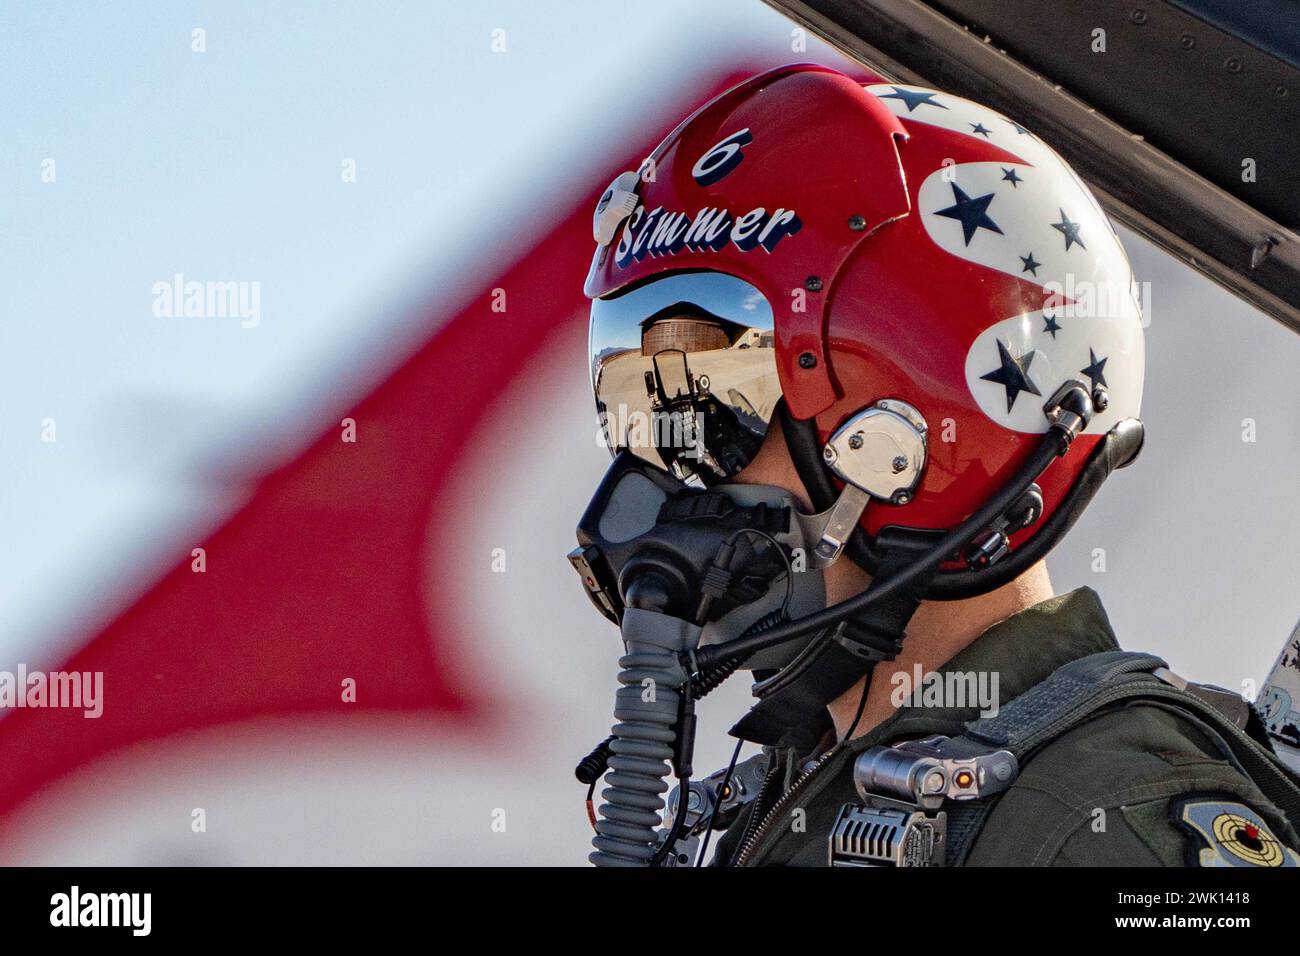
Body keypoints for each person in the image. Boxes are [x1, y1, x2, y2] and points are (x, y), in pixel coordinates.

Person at [573, 64, 1300, 867]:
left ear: (910, 431)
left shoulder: (1096, 823)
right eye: (643, 419)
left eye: (714, 415)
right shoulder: (798, 795)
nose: (662, 484)